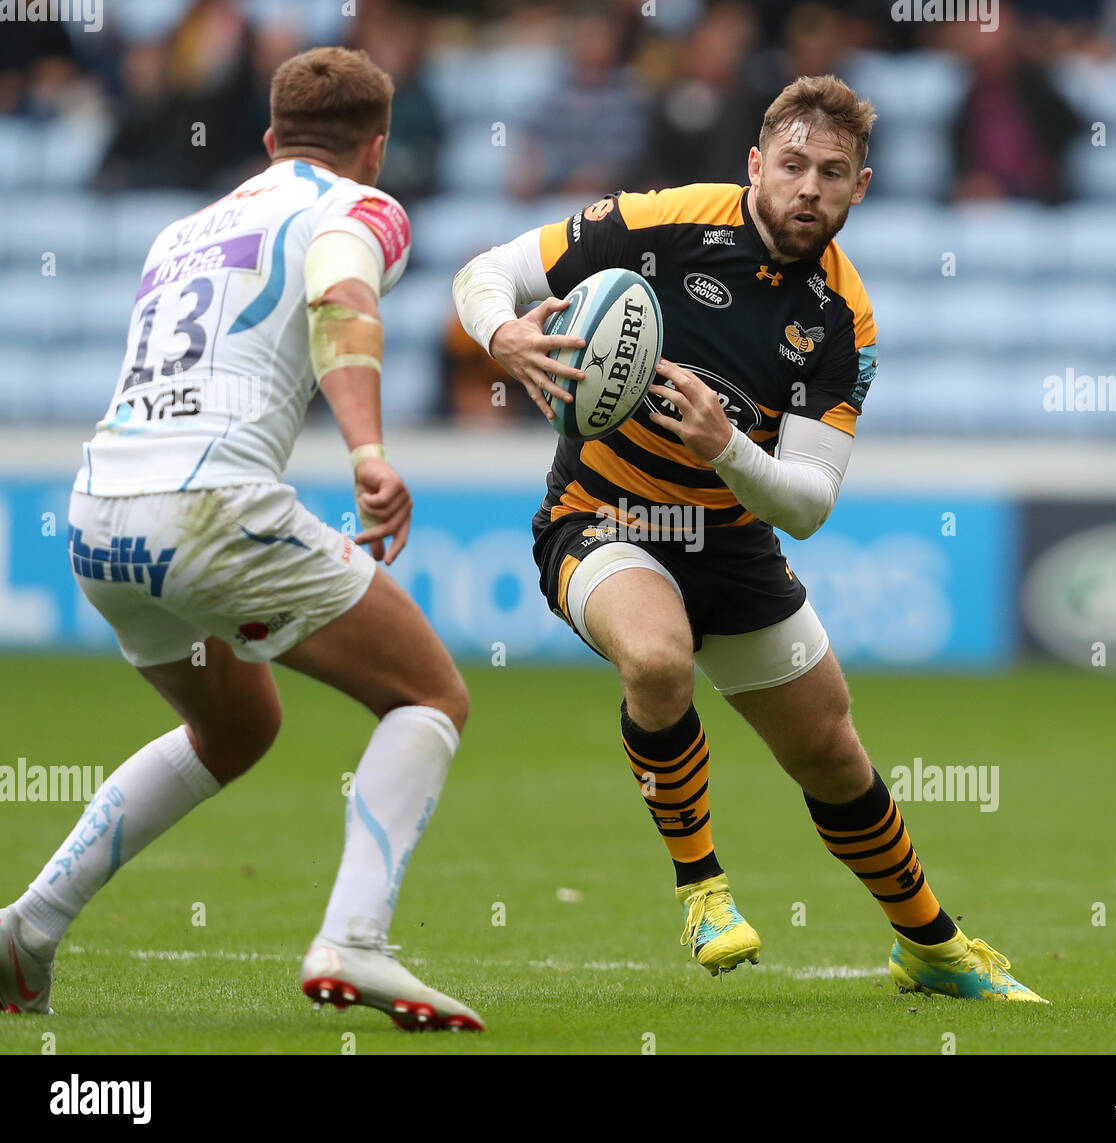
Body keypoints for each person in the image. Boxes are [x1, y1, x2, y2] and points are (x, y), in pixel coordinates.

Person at [453, 73, 1046, 1002]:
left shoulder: (843, 320)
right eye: (795, 165)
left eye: (834, 173)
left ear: (862, 188)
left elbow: (806, 505)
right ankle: (705, 892)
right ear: (755, 164)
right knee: (656, 659)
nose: (810, 188)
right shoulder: (662, 220)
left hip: (732, 543)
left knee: (830, 752)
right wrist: (503, 337)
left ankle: (932, 946)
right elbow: (485, 271)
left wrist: (726, 448)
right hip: (603, 519)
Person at [1, 47, 483, 1032]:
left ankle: (26, 930)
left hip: (100, 513)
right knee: (429, 694)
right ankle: (355, 936)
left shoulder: (180, 230)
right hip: (210, 505)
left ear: (268, 140)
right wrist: (369, 451)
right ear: (376, 148)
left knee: (236, 728)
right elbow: (340, 301)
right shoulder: (357, 205)